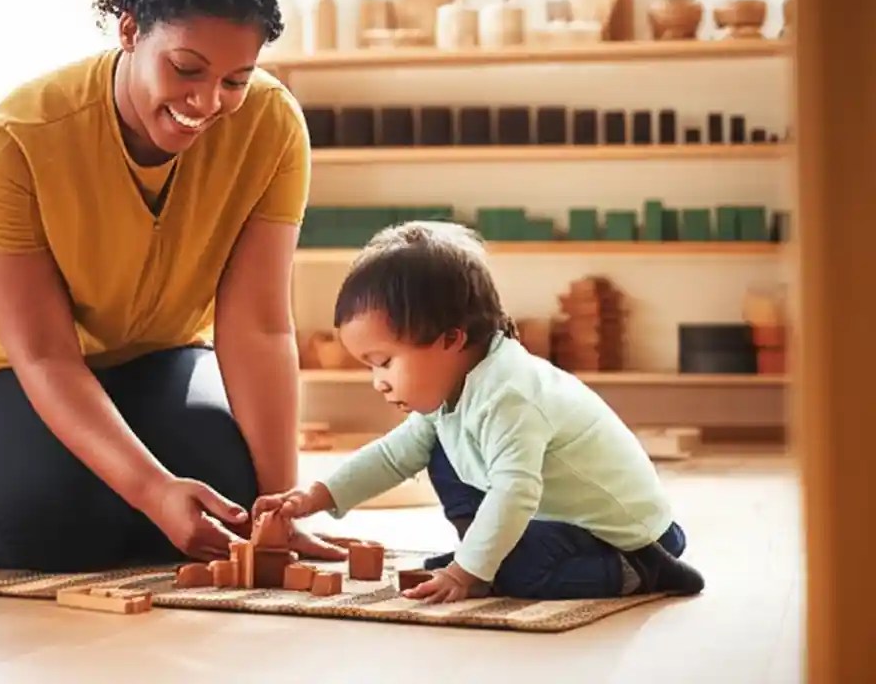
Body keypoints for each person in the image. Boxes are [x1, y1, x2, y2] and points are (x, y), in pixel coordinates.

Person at [0, 0, 349, 573]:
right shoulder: (14, 139)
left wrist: (278, 512)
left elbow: (259, 327)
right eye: (186, 69)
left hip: (147, 361)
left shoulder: (271, 125)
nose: (208, 103)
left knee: (235, 498)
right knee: (60, 519)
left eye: (235, 80)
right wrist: (152, 489)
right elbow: (45, 356)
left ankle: (119, 500)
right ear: (130, 31)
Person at [254, 221, 707, 602]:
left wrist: (465, 573)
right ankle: (485, 556)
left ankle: (643, 575)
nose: (379, 382)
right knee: (434, 450)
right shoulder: (455, 386)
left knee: (518, 574)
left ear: (450, 339)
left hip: (626, 537)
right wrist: (317, 496)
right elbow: (393, 456)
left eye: (386, 362)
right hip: (557, 519)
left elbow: (514, 493)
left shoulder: (510, 395)